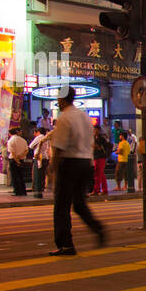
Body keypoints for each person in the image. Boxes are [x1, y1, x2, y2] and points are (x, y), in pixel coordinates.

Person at [49, 89, 105, 254]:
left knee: (61, 206)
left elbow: (58, 147)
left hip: (69, 163)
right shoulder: (84, 116)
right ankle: (98, 228)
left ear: (61, 99)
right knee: (79, 204)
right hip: (86, 163)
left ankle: (65, 244)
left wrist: (54, 168)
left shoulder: (64, 117)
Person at [30, 125, 52, 199]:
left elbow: (31, 146)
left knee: (37, 175)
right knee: (41, 175)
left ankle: (38, 193)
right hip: (45, 157)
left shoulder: (39, 137)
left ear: (37, 132)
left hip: (39, 157)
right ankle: (40, 191)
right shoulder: (46, 138)